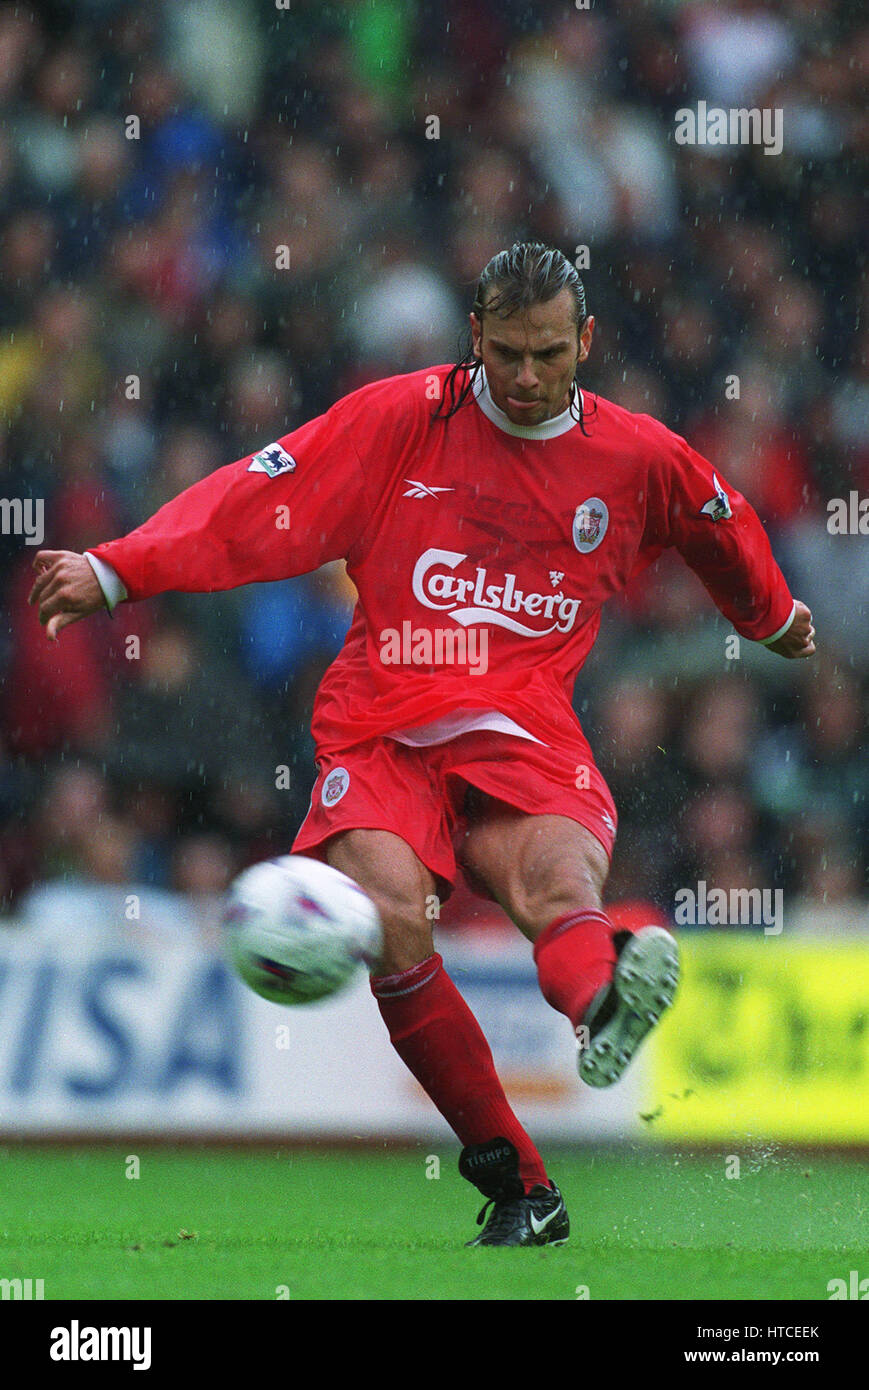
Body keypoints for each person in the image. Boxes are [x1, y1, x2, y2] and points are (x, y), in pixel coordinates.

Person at [29, 243, 816, 1247]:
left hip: (523, 723)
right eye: (504, 355)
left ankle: (602, 989)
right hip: (383, 722)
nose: (525, 378)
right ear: (473, 340)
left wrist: (769, 614)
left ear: (583, 342)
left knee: (555, 886)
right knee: (396, 916)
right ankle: (519, 1182)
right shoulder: (401, 418)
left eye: (545, 355)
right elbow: (256, 499)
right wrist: (116, 569)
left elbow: (721, 519)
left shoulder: (637, 458)